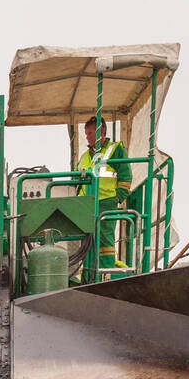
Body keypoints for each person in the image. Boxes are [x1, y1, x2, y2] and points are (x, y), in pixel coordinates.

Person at [77, 115, 132, 277]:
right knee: (87, 241)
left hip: (106, 203)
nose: (87, 137)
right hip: (86, 204)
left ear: (102, 132)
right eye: (86, 133)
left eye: (90, 133)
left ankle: (105, 276)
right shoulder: (85, 156)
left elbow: (125, 176)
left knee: (105, 241)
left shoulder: (115, 150)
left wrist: (118, 198)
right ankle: (88, 275)